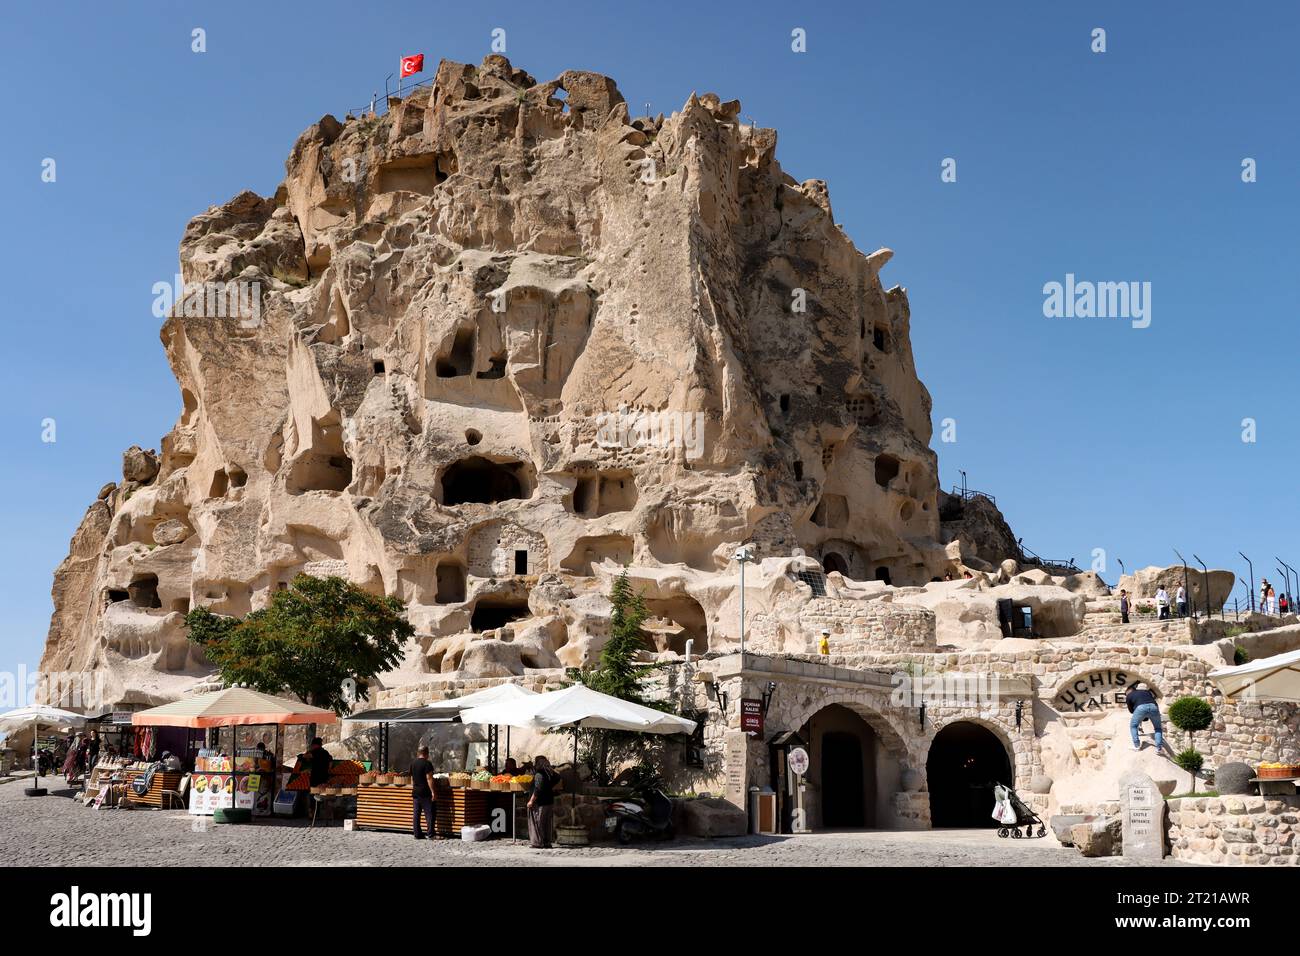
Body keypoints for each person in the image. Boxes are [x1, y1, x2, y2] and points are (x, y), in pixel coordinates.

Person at [527, 755, 557, 849]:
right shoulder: (550, 774)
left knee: (537, 822)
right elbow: (558, 777)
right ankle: (547, 842)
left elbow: (538, 789)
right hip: (549, 801)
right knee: (547, 823)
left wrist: (531, 801)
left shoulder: (539, 774)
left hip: (540, 803)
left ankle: (538, 843)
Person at [1126, 681, 1164, 751]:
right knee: (1158, 728)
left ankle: (1137, 746)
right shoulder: (1147, 693)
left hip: (1140, 708)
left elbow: (1131, 710)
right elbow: (1154, 702)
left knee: (1133, 726)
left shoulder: (1130, 695)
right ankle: (1159, 749)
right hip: (1154, 707)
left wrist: (1139, 714)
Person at [409, 745, 437, 840]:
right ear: (426, 753)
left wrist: (415, 787)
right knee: (429, 813)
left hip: (416, 792)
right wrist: (433, 792)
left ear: (418, 753)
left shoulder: (413, 763)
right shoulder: (427, 764)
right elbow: (429, 778)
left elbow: (412, 778)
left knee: (416, 814)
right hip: (425, 792)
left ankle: (417, 834)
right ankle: (430, 834)